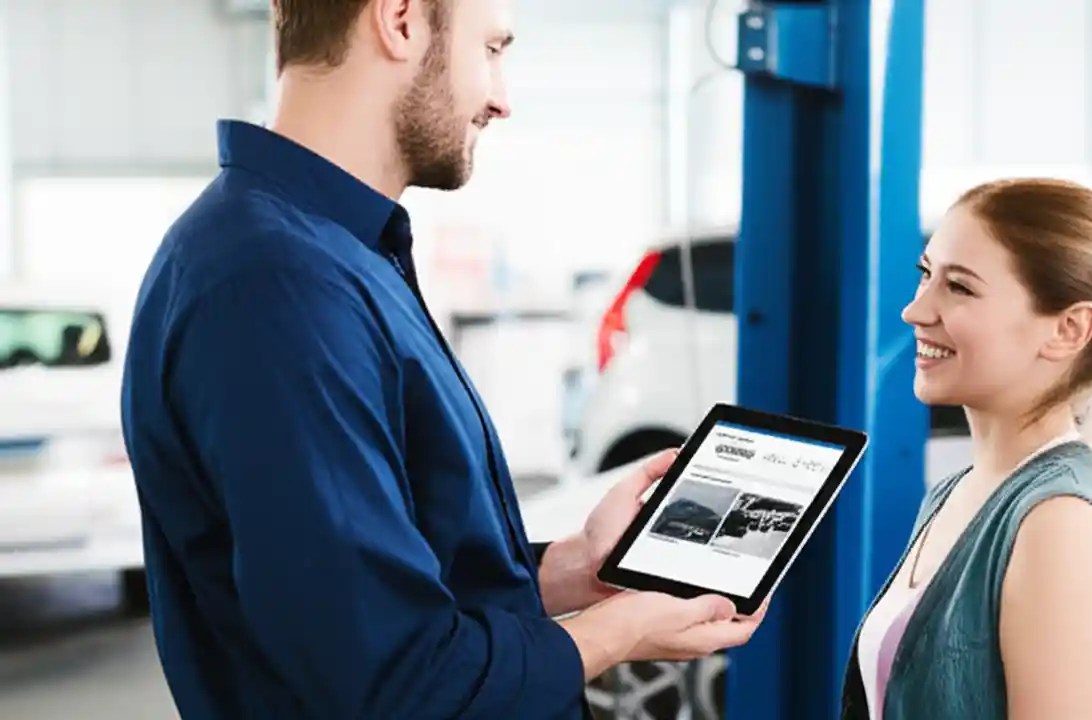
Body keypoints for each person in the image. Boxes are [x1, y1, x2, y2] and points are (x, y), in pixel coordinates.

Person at [119, 0, 761, 718]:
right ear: (398, 20)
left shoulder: (335, 253)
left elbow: (364, 596)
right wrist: (615, 634)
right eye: (490, 49)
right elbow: (391, 678)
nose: (501, 98)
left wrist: (577, 568)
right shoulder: (277, 284)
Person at [841, 178, 1092, 720]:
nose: (916, 311)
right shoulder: (959, 493)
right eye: (927, 275)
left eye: (960, 288)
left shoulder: (1060, 524)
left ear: (1068, 329)